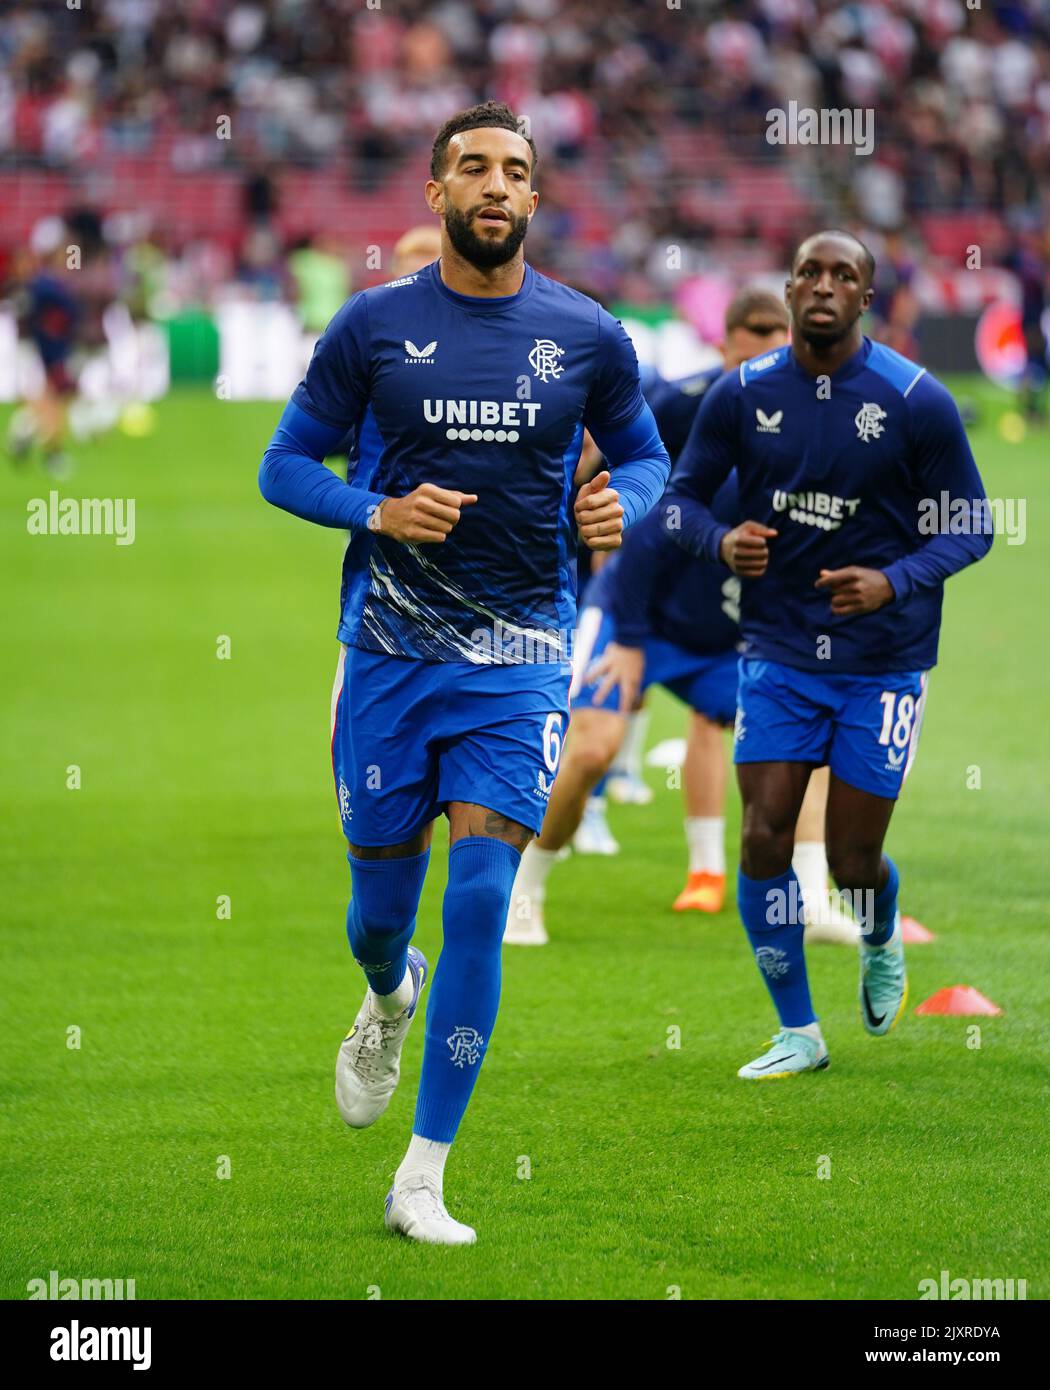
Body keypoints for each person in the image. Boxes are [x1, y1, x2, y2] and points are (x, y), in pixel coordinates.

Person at [258, 101, 670, 1242]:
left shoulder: (585, 334)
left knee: (483, 897)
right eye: (474, 167)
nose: (497, 185)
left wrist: (619, 504)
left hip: (524, 653)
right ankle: (390, 993)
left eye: (517, 171)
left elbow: (646, 456)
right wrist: (377, 509)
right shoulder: (373, 326)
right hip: (388, 654)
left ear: (536, 198)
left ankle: (423, 1175)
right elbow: (283, 465)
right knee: (378, 915)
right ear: (435, 194)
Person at [661, 229, 992, 1079]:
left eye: (844, 274)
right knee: (764, 841)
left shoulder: (916, 399)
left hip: (884, 661)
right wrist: (720, 541)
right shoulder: (740, 395)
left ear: (866, 297)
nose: (823, 284)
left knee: (849, 863)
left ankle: (880, 932)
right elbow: (678, 504)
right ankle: (799, 1030)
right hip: (777, 652)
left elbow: (973, 523)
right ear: (790, 285)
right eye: (809, 270)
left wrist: (894, 581)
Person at [507, 290, 859, 944]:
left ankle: (811, 901)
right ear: (724, 350)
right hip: (639, 613)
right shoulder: (707, 436)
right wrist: (634, 640)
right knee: (590, 750)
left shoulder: (813, 448)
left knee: (817, 737)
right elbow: (655, 529)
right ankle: (524, 889)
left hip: (725, 640)